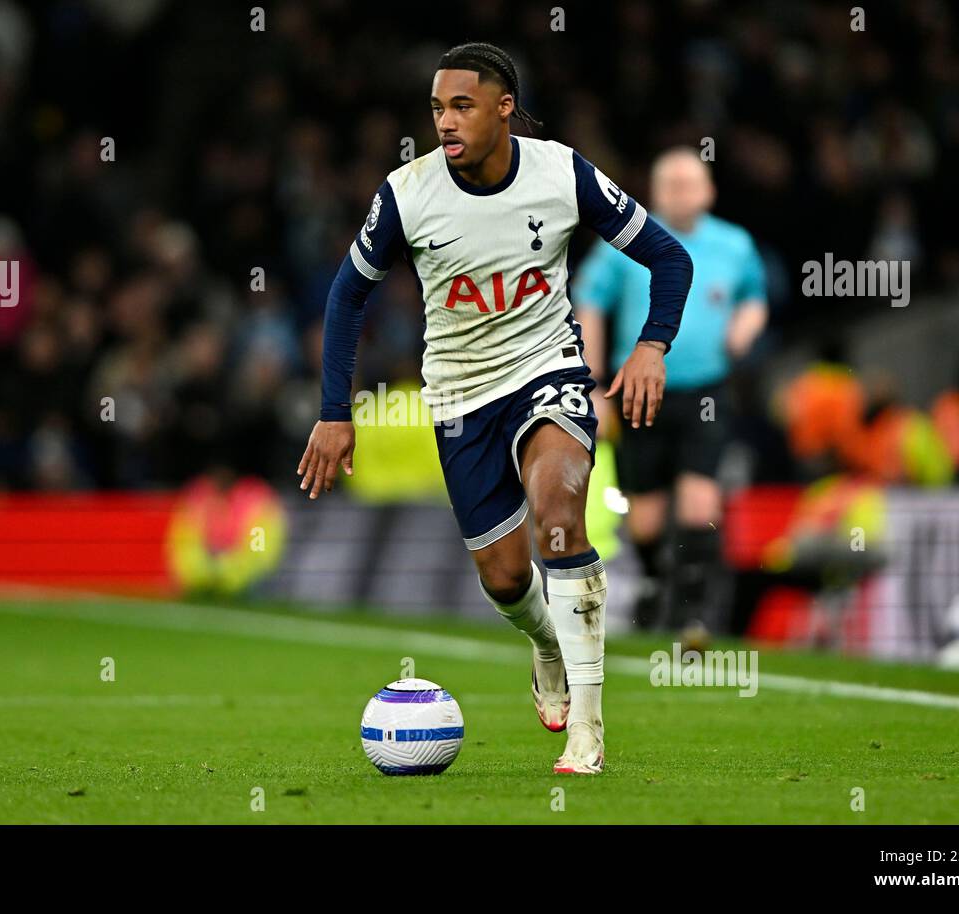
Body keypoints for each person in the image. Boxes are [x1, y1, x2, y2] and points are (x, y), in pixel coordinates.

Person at [297, 43, 692, 774]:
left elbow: (670, 257)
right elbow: (347, 294)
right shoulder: (407, 193)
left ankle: (590, 729)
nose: (445, 123)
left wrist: (652, 346)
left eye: (462, 106)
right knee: (507, 579)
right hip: (460, 395)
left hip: (549, 373)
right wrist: (334, 410)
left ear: (503, 108)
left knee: (561, 520)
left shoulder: (561, 173)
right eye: (438, 109)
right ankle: (546, 642)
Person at [575, 148, 766, 634]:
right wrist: (593, 379)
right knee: (647, 519)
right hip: (638, 392)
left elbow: (754, 297)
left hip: (706, 389)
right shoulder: (628, 238)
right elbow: (589, 301)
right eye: (671, 183)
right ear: (654, 191)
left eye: (690, 182)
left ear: (709, 190)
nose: (681, 192)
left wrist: (742, 329)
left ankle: (693, 615)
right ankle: (656, 587)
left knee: (700, 502)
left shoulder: (734, 244)